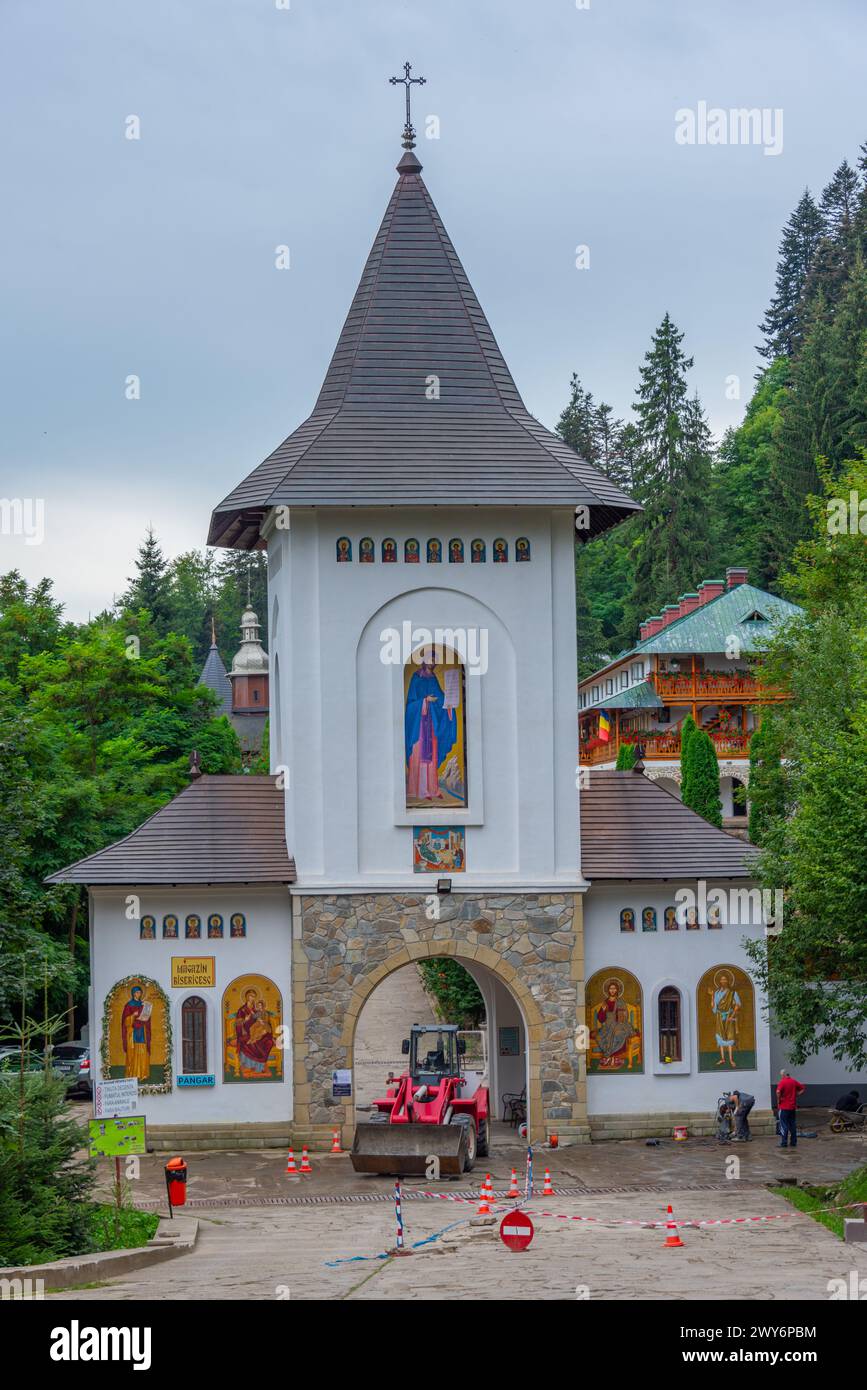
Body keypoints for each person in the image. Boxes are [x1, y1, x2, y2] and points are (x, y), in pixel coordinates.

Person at [776, 1069, 806, 1149]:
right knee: (792, 1124)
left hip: (784, 1107)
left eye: (781, 1075)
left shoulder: (782, 1082)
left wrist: (779, 1100)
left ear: (783, 1075)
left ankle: (784, 1142)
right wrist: (796, 1095)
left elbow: (778, 1092)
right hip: (792, 1107)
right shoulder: (794, 1081)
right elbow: (802, 1088)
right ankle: (793, 1142)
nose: (781, 1077)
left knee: (783, 1125)